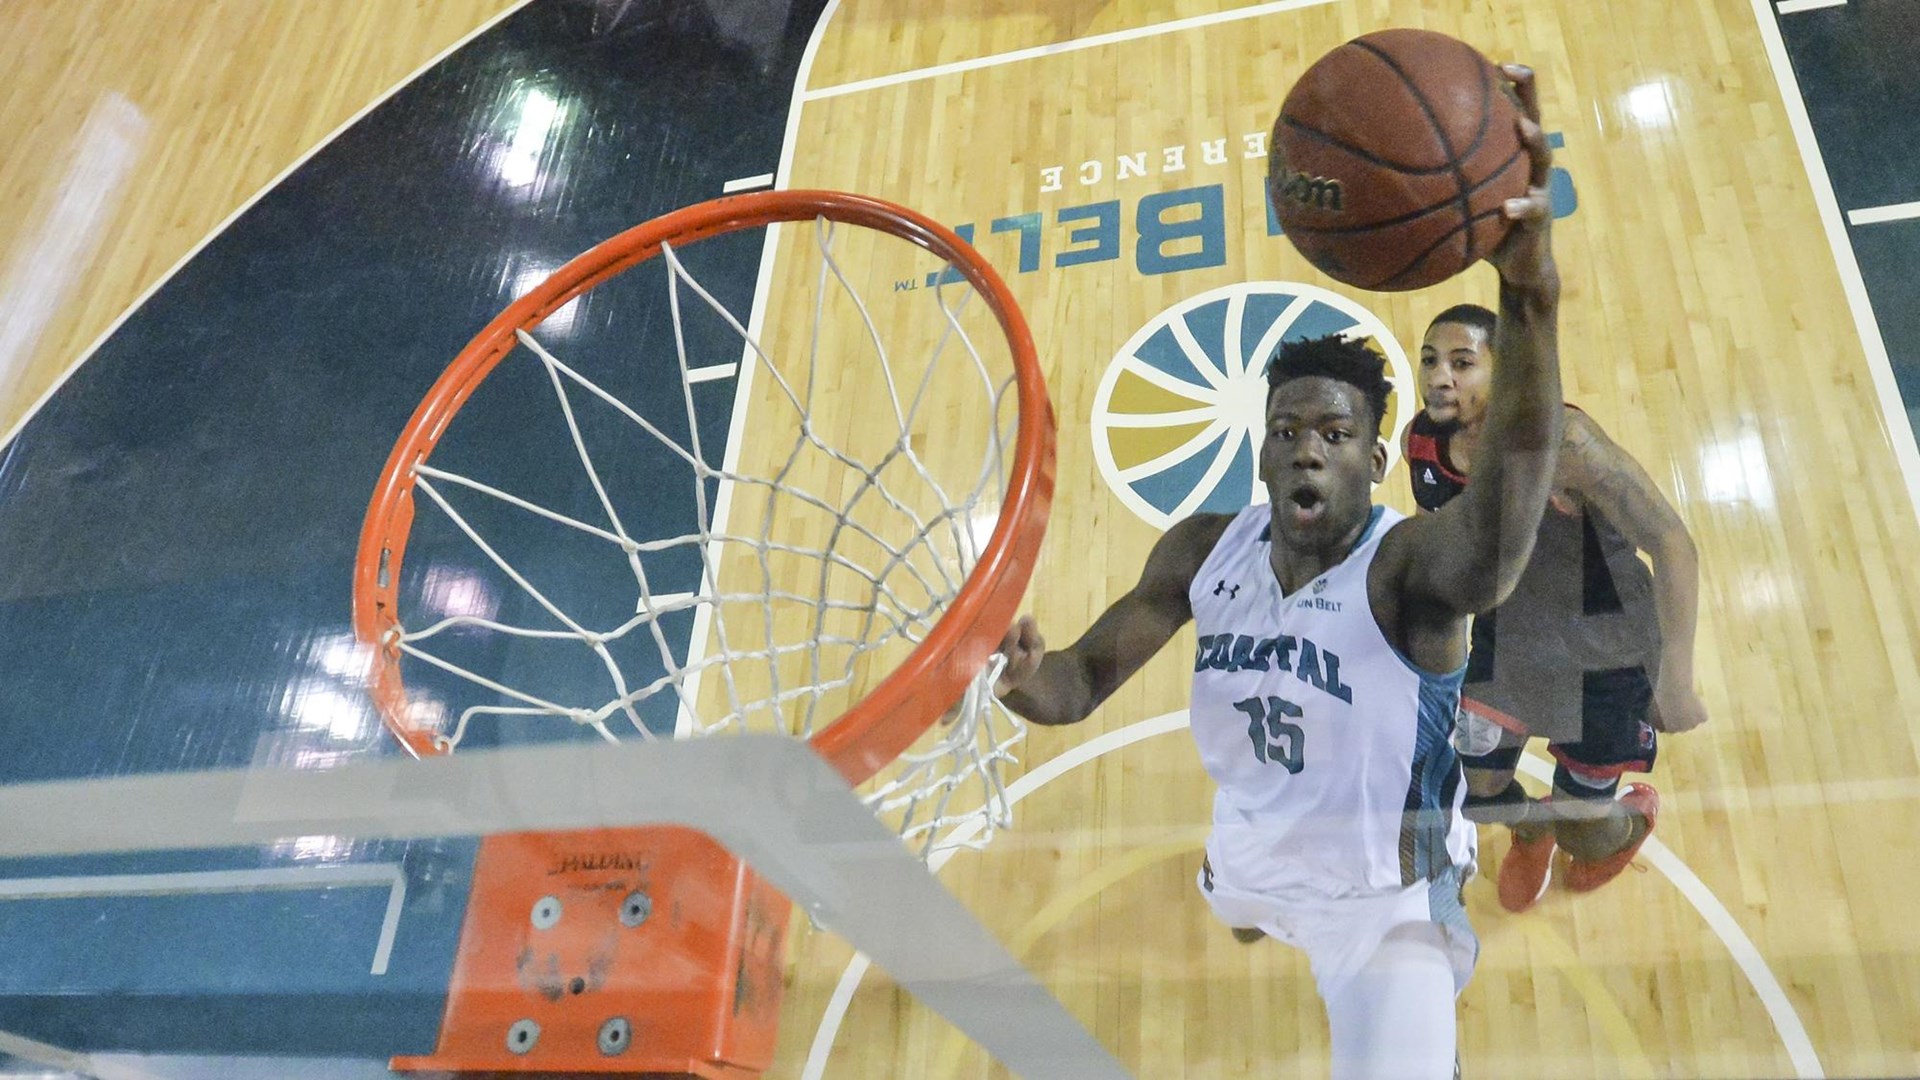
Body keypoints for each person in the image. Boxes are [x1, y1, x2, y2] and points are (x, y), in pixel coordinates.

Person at [993, 66, 1561, 1079]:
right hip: (1254, 844)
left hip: (1387, 900)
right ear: (1261, 452)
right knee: (1242, 910)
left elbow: (1508, 522)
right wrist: (1018, 672)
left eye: (1336, 433)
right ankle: (1251, 912)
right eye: (1288, 430)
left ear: (1373, 460)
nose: (1308, 448)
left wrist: (1531, 298)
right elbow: (1076, 683)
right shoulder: (1203, 548)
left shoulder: (1408, 572)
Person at [1403, 303, 1706, 913]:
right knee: (1476, 789)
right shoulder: (1427, 443)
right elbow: (1446, 543)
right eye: (1431, 361)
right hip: (1508, 639)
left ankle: (1626, 822)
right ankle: (1532, 829)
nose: (1440, 377)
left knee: (1583, 827)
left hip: (1606, 658)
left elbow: (1672, 544)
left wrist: (1676, 679)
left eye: (1463, 363)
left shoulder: (1564, 445)